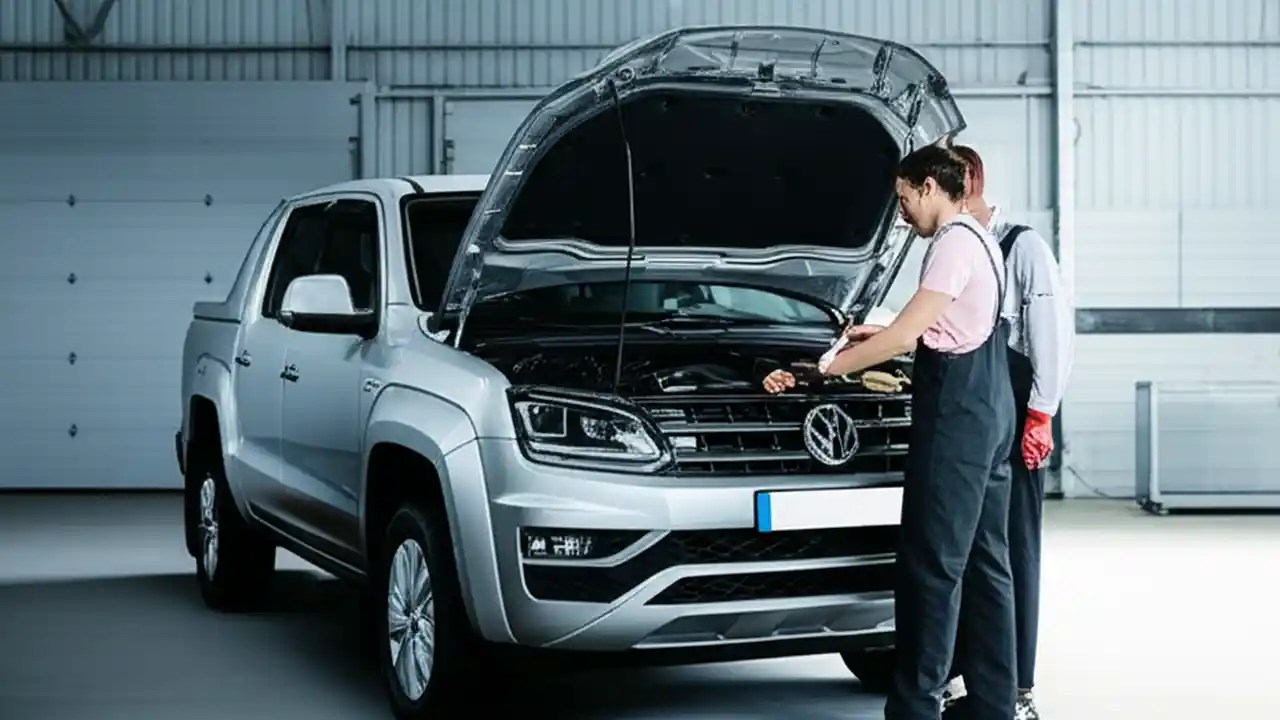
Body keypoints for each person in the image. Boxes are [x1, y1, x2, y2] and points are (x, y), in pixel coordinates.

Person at [763, 144, 1018, 719]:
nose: (901, 212)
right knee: (987, 564)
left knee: (932, 566)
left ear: (929, 187)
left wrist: (824, 369)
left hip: (957, 417)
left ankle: (914, 708)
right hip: (992, 406)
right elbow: (940, 321)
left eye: (904, 198)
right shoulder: (982, 238)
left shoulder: (950, 242)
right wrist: (873, 333)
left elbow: (907, 336)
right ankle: (993, 705)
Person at [938, 145, 1076, 720]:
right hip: (975, 404)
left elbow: (1052, 333)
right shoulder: (954, 246)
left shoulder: (1023, 247)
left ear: (964, 181)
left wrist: (1041, 413)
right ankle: (961, 673)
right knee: (963, 546)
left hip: (1017, 405)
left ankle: (1017, 686)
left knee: (1013, 547)